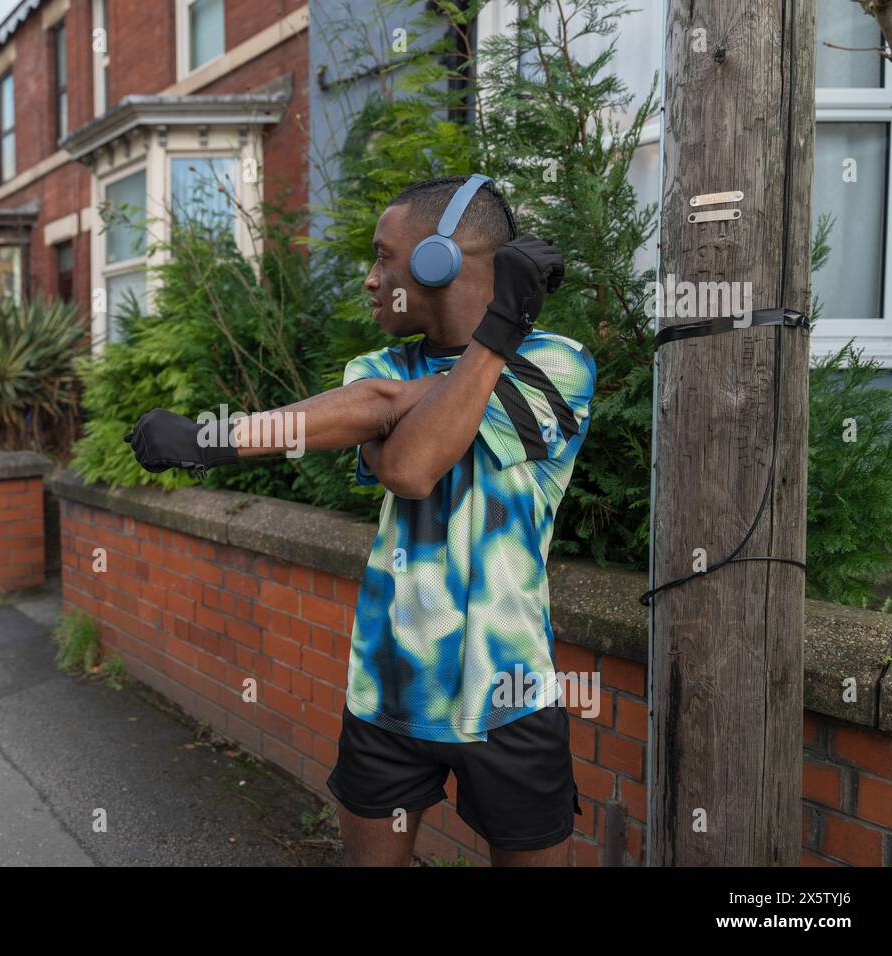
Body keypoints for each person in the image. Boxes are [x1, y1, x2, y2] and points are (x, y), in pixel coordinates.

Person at [123, 176, 596, 866]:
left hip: (510, 699)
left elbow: (411, 467)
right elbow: (390, 426)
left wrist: (496, 335)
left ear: (441, 260)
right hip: (386, 693)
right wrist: (493, 339)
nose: (371, 280)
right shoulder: (377, 365)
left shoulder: (558, 362)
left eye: (384, 257)